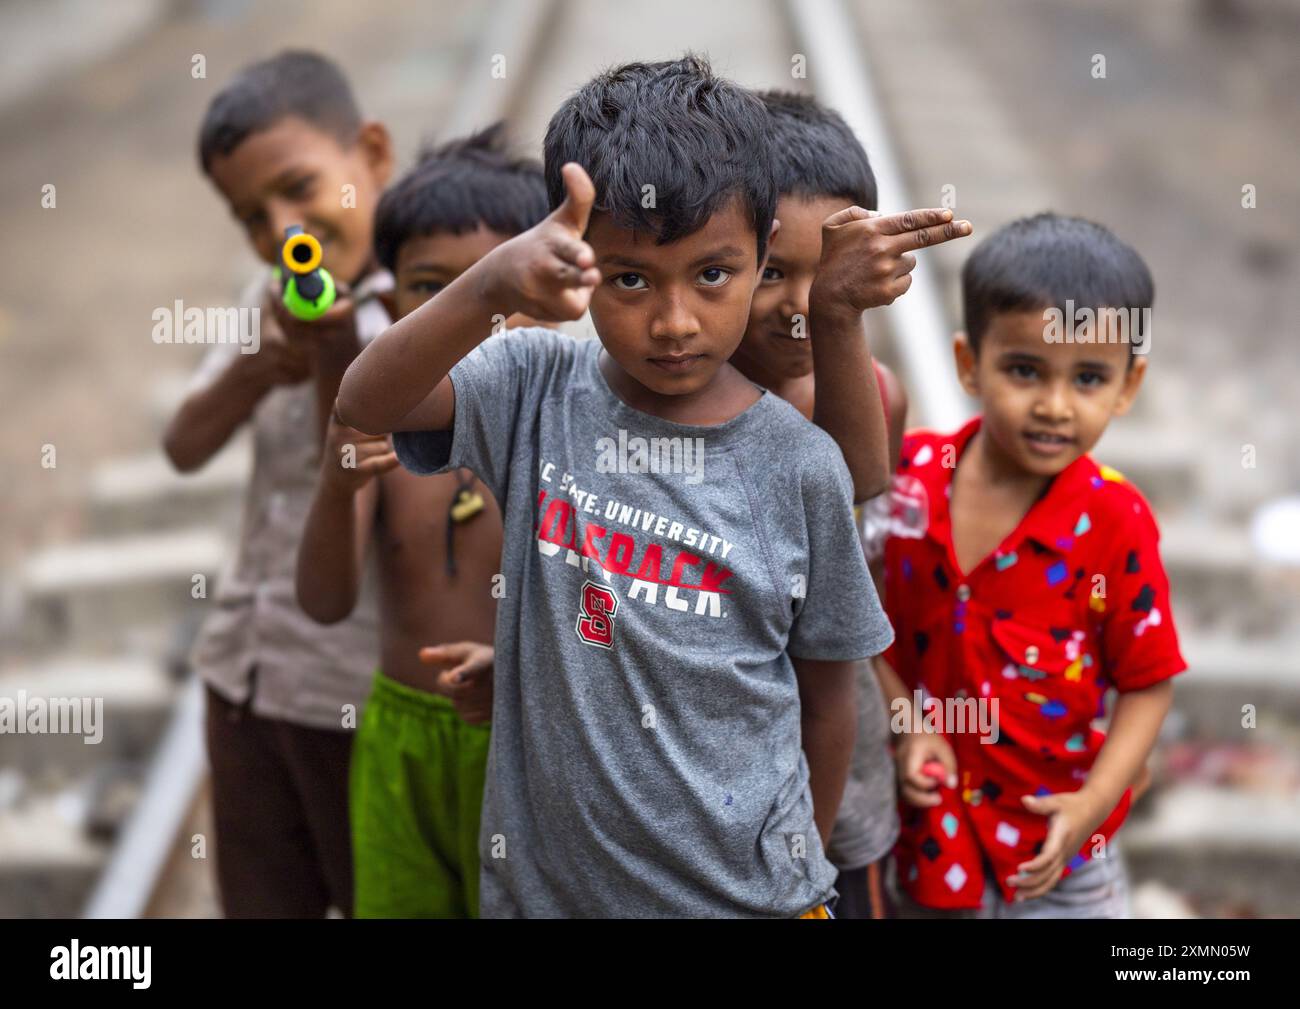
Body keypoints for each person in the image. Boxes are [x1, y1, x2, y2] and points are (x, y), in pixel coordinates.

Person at [338, 55, 895, 918]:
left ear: (758, 256)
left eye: (713, 273)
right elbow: (366, 399)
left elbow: (826, 699)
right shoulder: (533, 385)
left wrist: (795, 877)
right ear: (583, 264)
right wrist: (486, 286)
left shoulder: (800, 464)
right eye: (631, 278)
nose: (674, 322)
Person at [880, 213, 1186, 918]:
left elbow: (1148, 684)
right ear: (968, 364)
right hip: (932, 838)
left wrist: (1094, 803)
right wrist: (904, 721)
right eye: (1024, 370)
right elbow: (856, 616)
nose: (1053, 405)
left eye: (1088, 378)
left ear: (1127, 385)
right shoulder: (912, 479)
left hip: (1060, 849)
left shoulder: (1115, 521)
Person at [296, 125, 551, 918]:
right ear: (389, 298)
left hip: (527, 737)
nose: (467, 325)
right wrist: (338, 486)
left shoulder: (562, 429)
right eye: (432, 294)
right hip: (399, 739)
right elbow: (326, 601)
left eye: (492, 298)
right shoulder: (378, 426)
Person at [163, 50, 395, 917]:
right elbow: (185, 444)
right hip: (245, 671)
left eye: (300, 189)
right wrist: (257, 366)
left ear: (371, 154)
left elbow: (356, 469)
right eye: (251, 215)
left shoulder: (419, 304)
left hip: (349, 688)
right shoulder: (275, 296)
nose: (281, 226)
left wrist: (338, 349)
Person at [732, 89, 963, 918]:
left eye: (823, 276)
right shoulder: (688, 392)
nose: (797, 304)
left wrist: (904, 714)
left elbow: (855, 491)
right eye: (769, 272)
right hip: (718, 755)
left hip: (842, 752)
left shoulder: (876, 392)